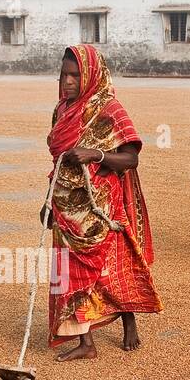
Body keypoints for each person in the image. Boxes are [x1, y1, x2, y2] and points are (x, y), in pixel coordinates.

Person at [46, 44, 161, 361]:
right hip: (66, 204)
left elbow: (131, 158)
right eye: (64, 74)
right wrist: (48, 204)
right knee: (69, 273)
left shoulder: (109, 110)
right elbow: (57, 163)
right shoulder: (62, 110)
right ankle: (85, 342)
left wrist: (95, 155)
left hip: (102, 206)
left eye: (75, 75)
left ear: (91, 75)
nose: (68, 81)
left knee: (112, 268)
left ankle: (129, 321)